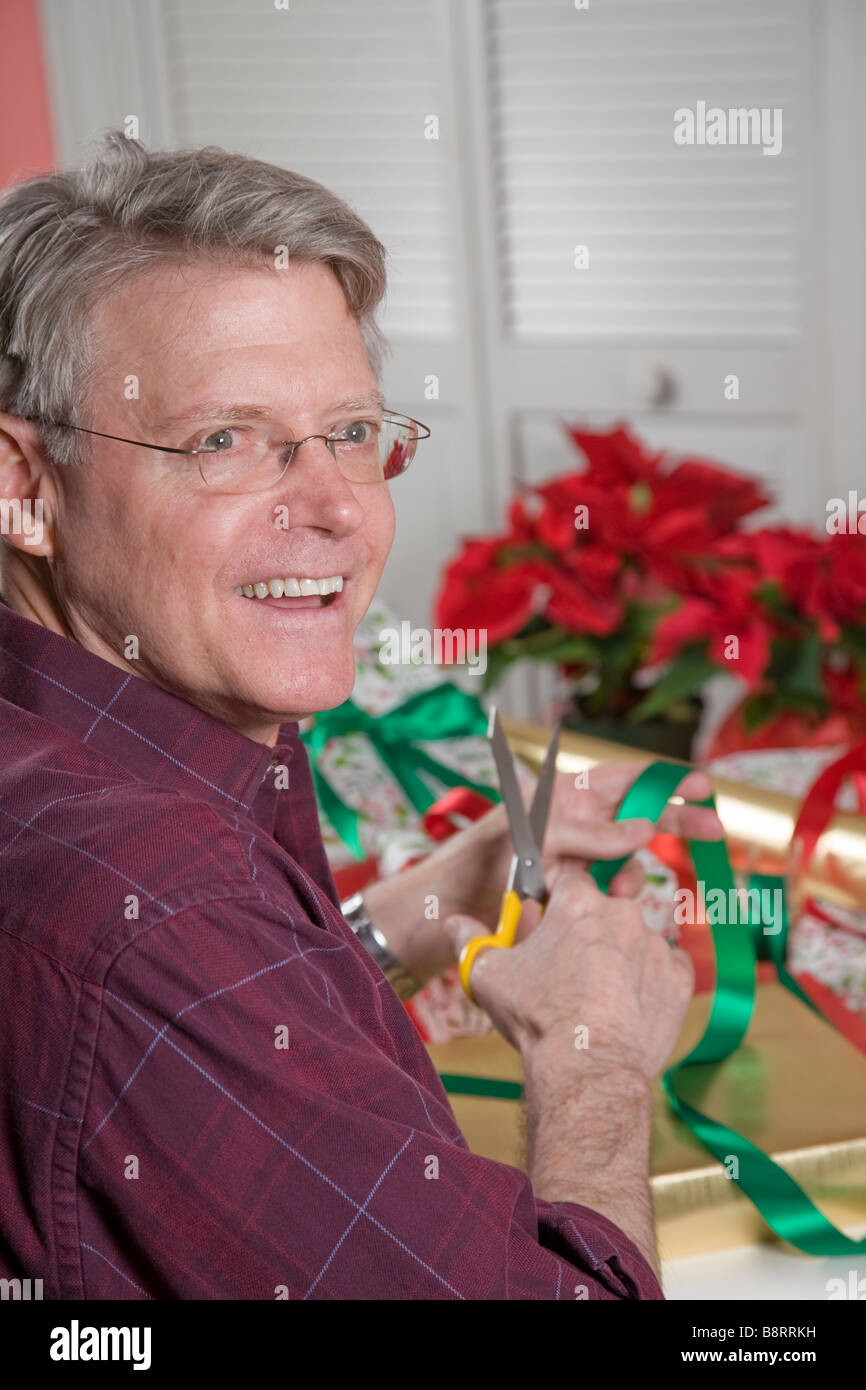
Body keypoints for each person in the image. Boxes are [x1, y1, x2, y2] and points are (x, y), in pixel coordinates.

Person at [0, 132, 722, 1300]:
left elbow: (186, 1049)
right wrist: (592, 1058)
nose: (339, 507)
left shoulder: (80, 778)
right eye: (225, 441)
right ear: (24, 487)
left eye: (349, 430)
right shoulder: (160, 912)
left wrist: (413, 912)